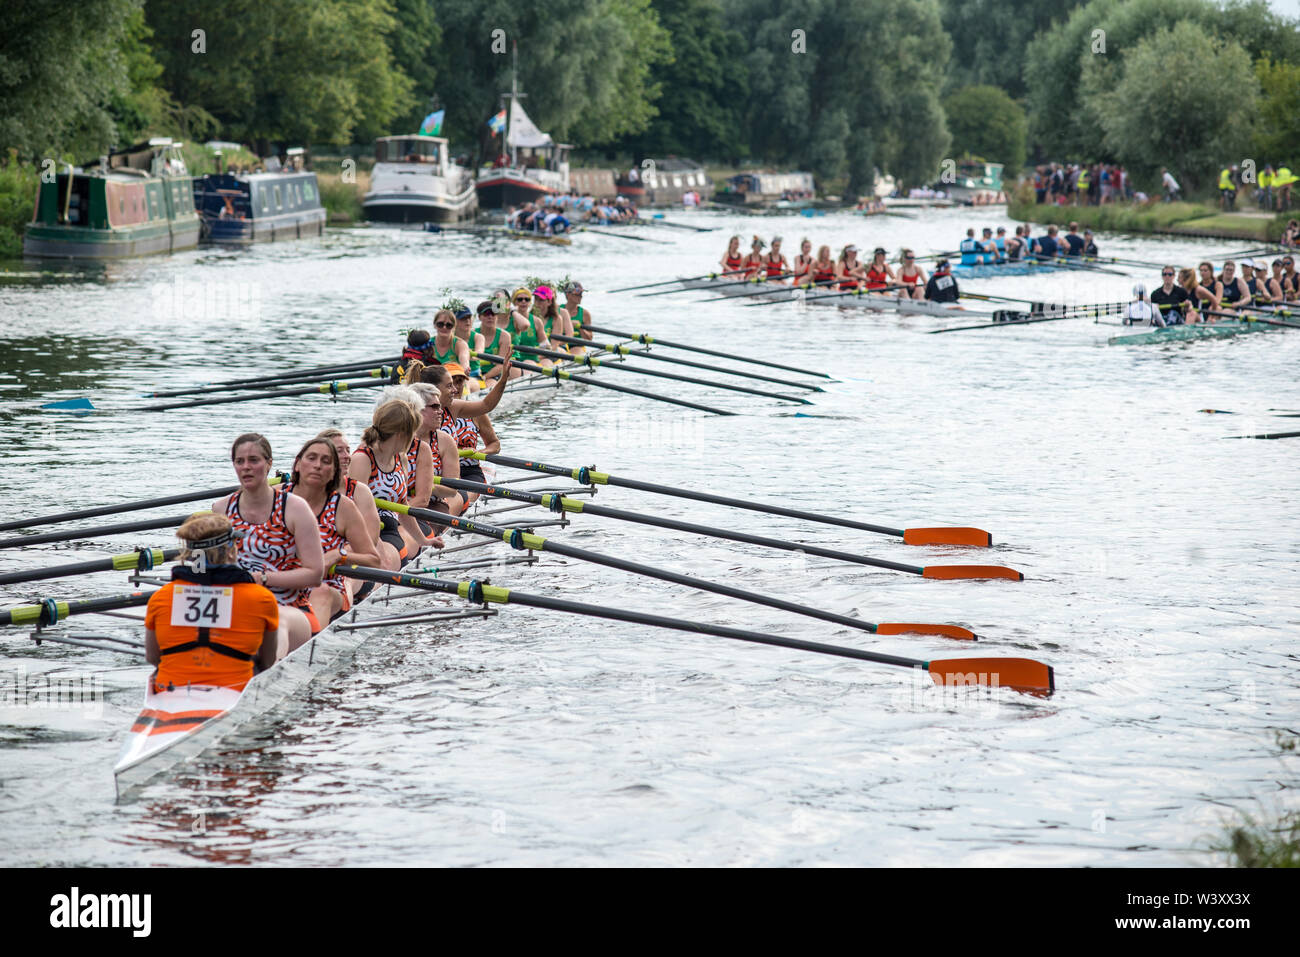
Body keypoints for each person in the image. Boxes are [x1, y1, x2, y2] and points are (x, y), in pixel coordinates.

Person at [145, 513, 281, 694]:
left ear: (189, 554)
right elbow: (267, 662)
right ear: (232, 551)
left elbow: (153, 657)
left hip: (170, 689)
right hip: (235, 689)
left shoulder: (161, 597)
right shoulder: (261, 599)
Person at [214, 434, 324, 652]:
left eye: (254, 460)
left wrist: (262, 578)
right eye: (240, 461)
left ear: (269, 464)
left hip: (290, 609)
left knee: (273, 622)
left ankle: (263, 679)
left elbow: (315, 574)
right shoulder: (221, 509)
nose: (246, 467)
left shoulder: (295, 509)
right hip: (240, 607)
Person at [282, 437, 382, 625]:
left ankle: (304, 646)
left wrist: (339, 555)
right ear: (297, 464)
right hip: (282, 582)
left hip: (327, 587)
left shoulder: (343, 507)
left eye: (326, 461)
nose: (317, 466)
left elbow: (373, 559)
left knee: (320, 592)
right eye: (311, 458)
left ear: (334, 472)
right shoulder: (277, 497)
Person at [348, 398, 437, 562]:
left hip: (390, 529)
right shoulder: (363, 459)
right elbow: (352, 510)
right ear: (401, 435)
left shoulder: (400, 459)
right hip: (363, 531)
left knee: (391, 556)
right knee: (382, 561)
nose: (415, 438)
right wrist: (375, 544)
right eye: (413, 433)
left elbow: (402, 507)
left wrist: (423, 540)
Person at [316, 427, 396, 572]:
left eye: (348, 450)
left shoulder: (359, 491)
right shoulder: (304, 490)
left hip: (355, 563)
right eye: (340, 451)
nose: (347, 456)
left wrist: (337, 554)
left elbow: (371, 540)